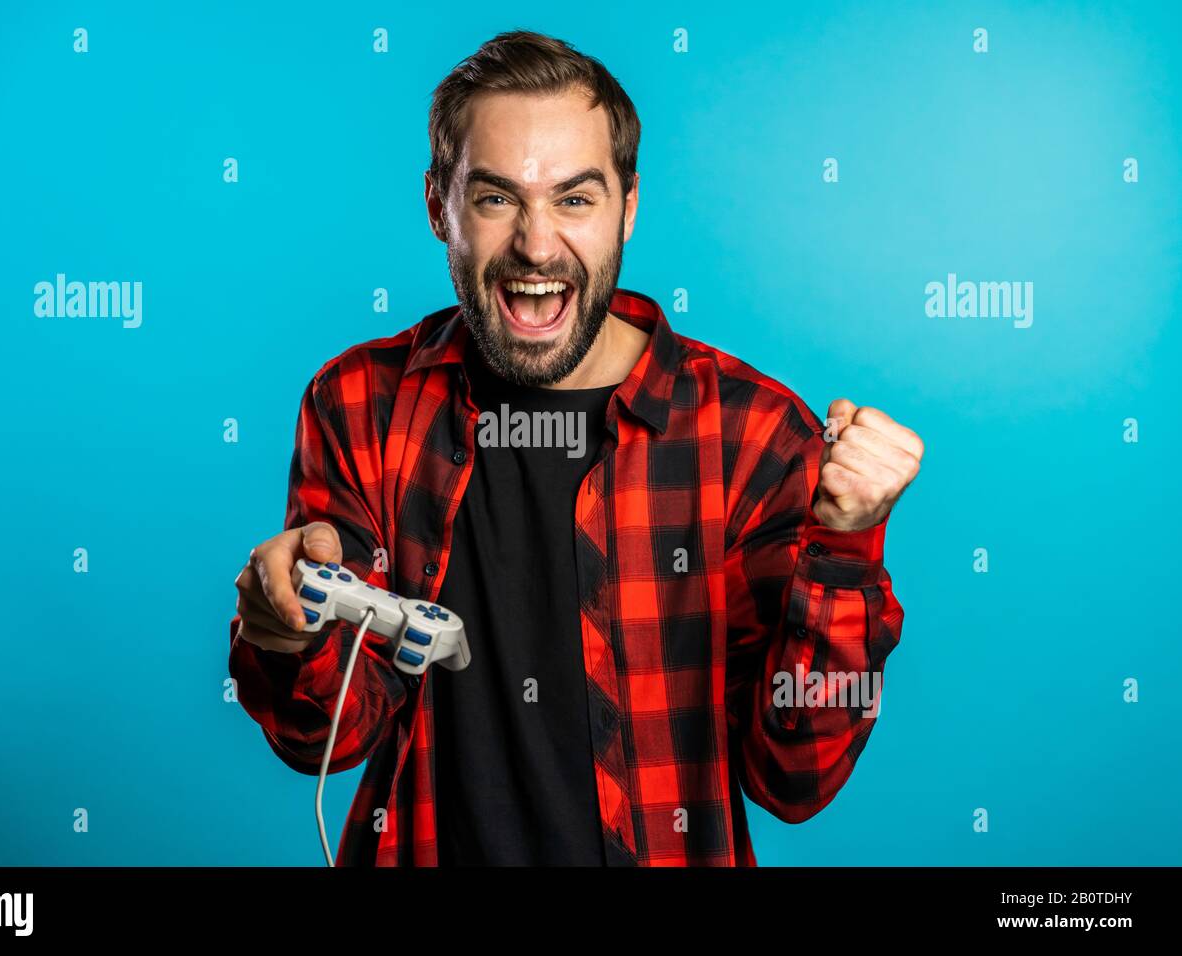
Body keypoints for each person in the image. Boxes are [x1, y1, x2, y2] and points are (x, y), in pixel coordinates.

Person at [228, 30, 922, 866]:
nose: (536, 245)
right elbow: (327, 741)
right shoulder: (358, 404)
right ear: (436, 207)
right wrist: (287, 636)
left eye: (574, 200)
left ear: (629, 205)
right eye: (495, 200)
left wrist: (845, 552)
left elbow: (795, 778)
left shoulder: (753, 432)